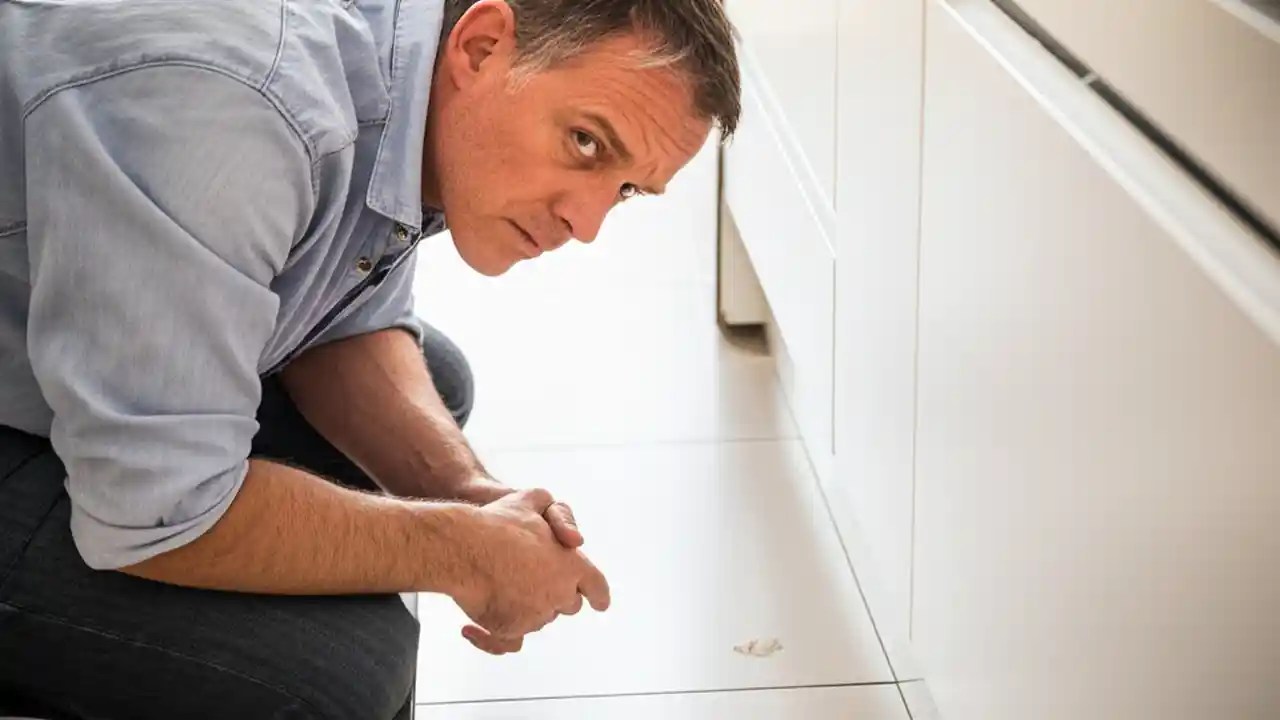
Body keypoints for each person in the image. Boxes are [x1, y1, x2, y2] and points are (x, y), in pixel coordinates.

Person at [0, 0, 741, 717]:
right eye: (585, 142)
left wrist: (467, 494)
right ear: (482, 44)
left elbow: (342, 317)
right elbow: (154, 504)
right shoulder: (238, 111)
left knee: (435, 388)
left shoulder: (396, 61)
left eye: (625, 190)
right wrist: (464, 551)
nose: (585, 223)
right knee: (346, 670)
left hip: (42, 325)